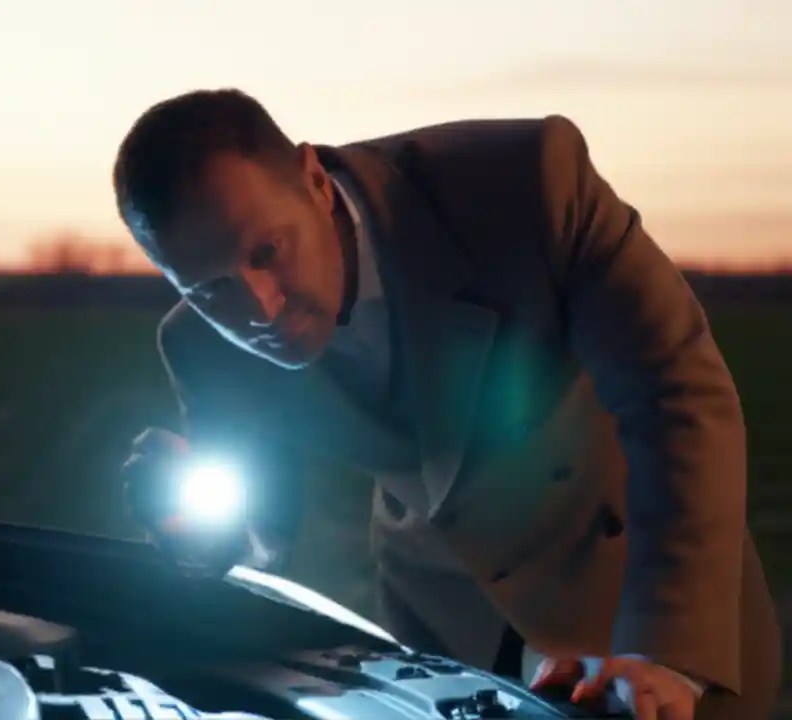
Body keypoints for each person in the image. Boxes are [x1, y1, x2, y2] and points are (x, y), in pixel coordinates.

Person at [112, 88, 781, 720]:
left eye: (267, 252)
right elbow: (265, 534)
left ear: (315, 180)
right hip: (442, 640)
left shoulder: (523, 183)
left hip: (643, 607)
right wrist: (197, 537)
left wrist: (662, 652)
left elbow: (674, 396)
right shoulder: (202, 348)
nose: (257, 307)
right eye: (208, 292)